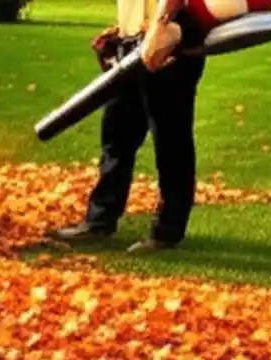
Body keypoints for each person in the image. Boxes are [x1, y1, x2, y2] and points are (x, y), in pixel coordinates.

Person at [48, 0, 208, 253]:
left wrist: (159, 26)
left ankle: (167, 232)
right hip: (133, 44)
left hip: (170, 40)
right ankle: (100, 220)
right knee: (117, 135)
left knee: (170, 139)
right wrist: (123, 32)